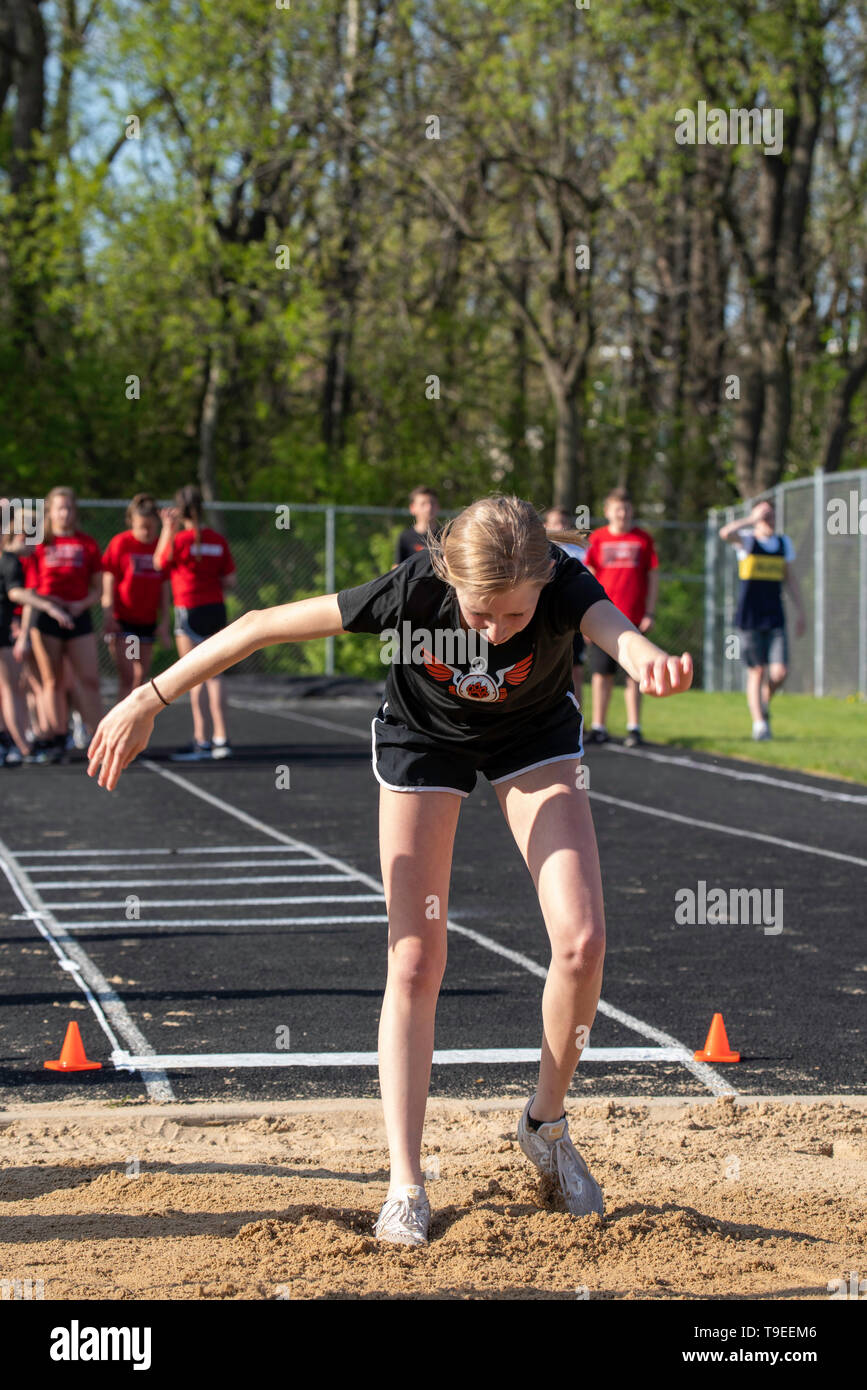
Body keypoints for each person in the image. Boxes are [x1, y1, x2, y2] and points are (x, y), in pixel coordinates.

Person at [87, 493, 693, 1247]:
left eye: (512, 618)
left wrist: (649, 660)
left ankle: (545, 1123)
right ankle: (406, 1179)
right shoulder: (415, 589)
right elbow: (255, 628)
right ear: (450, 581)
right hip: (423, 741)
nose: (494, 633)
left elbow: (618, 634)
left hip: (530, 738)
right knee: (414, 959)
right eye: (479, 615)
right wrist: (147, 698)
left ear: (543, 582)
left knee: (582, 943)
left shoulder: (564, 584)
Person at [152, 484, 237, 760]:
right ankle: (222, 738)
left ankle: (201, 740)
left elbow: (158, 563)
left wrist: (167, 528)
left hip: (188, 608)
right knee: (216, 675)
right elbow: (230, 580)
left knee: (193, 676)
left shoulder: (179, 539)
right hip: (215, 609)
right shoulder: (217, 539)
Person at [21, 486, 104, 760]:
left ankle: (99, 738)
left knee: (89, 679)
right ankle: (58, 738)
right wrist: (50, 603)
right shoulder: (39, 542)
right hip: (46, 617)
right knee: (51, 681)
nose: (65, 513)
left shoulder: (87, 543)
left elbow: (98, 589)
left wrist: (80, 604)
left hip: (77, 615)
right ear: (50, 511)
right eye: (59, 508)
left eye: (69, 507)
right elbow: (26, 584)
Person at [718, 498, 805, 739]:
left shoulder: (782, 543)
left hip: (775, 615)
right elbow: (725, 533)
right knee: (757, 670)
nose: (769, 520)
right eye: (765, 516)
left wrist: (801, 611)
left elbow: (791, 579)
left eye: (772, 515)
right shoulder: (747, 540)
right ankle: (759, 724)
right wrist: (752, 519)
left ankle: (763, 701)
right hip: (750, 616)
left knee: (780, 672)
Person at [582, 488, 659, 748]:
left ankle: (634, 727)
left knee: (636, 674)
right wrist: (585, 615)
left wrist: (649, 611)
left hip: (635, 617)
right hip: (603, 617)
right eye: (617, 508)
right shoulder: (598, 539)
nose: (622, 513)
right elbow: (588, 576)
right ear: (607, 511)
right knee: (601, 674)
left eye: (626, 508)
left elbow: (653, 576)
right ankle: (599, 726)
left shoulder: (643, 540)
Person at [102, 494, 172, 701]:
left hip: (147, 621)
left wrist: (164, 622)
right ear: (131, 521)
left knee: (141, 678)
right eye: (142, 526)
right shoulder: (121, 543)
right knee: (130, 676)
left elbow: (165, 587)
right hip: (125, 623)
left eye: (151, 526)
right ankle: (119, 723)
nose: (146, 532)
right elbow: (109, 579)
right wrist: (108, 614)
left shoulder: (160, 546)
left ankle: (133, 723)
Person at [543, 506, 586, 708]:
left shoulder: (579, 552)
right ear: (546, 526)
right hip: (546, 620)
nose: (561, 527)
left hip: (573, 619)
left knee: (576, 669)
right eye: (556, 522)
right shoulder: (538, 551)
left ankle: (577, 715)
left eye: (564, 523)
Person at [392, 486, 441, 568]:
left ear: (438, 507)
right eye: (423, 504)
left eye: (432, 503)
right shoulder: (405, 537)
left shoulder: (447, 537)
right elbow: (397, 569)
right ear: (412, 508)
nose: (429, 508)